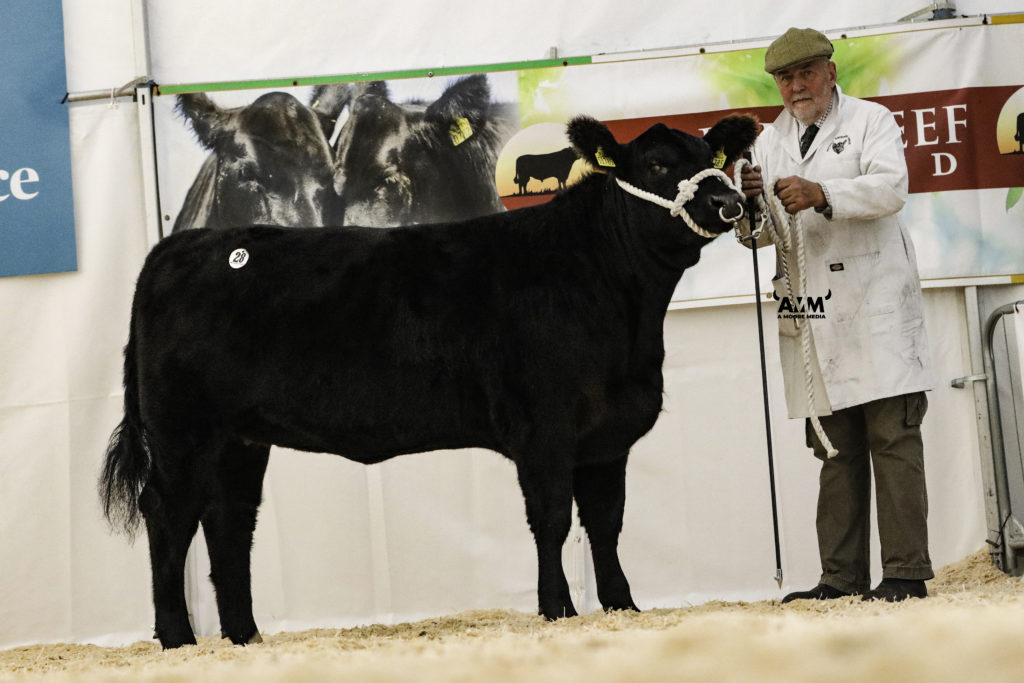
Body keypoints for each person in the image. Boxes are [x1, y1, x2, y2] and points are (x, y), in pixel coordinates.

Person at [739, 27, 935, 603]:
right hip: (813, 314)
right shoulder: (767, 143)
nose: (796, 86)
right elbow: (757, 237)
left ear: (829, 71)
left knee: (892, 439)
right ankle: (840, 580)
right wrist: (749, 201)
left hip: (876, 303)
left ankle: (904, 574)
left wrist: (822, 192)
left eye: (805, 73)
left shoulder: (872, 121)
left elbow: (891, 189)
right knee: (834, 448)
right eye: (785, 78)